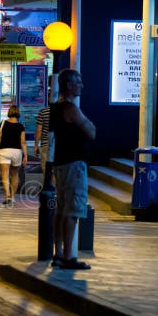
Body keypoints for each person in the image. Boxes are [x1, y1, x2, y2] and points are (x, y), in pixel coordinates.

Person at [50, 69, 96, 270]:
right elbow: (91, 131)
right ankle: (68, 256)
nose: (81, 85)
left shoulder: (55, 108)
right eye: (78, 82)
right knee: (72, 210)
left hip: (60, 164)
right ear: (69, 85)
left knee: (61, 210)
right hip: (73, 165)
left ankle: (59, 252)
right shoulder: (70, 108)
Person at [0, 104, 28, 206]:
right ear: (18, 113)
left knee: (5, 174)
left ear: (9, 112)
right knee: (15, 174)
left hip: (4, 151)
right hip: (17, 152)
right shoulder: (20, 126)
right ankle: (12, 197)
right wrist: (25, 155)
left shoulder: (3, 123)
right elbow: (23, 142)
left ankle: (7, 195)